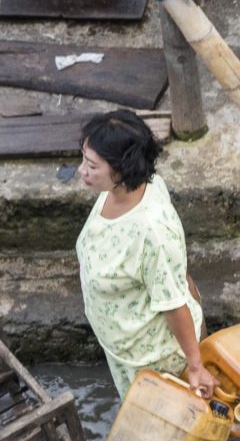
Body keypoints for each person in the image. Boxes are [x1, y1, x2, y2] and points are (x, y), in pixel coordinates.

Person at [74, 109, 215, 400]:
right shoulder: (123, 189)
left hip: (152, 361)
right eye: (83, 160)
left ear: (120, 170)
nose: (81, 171)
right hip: (123, 348)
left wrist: (195, 366)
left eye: (91, 165)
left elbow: (173, 304)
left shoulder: (151, 232)